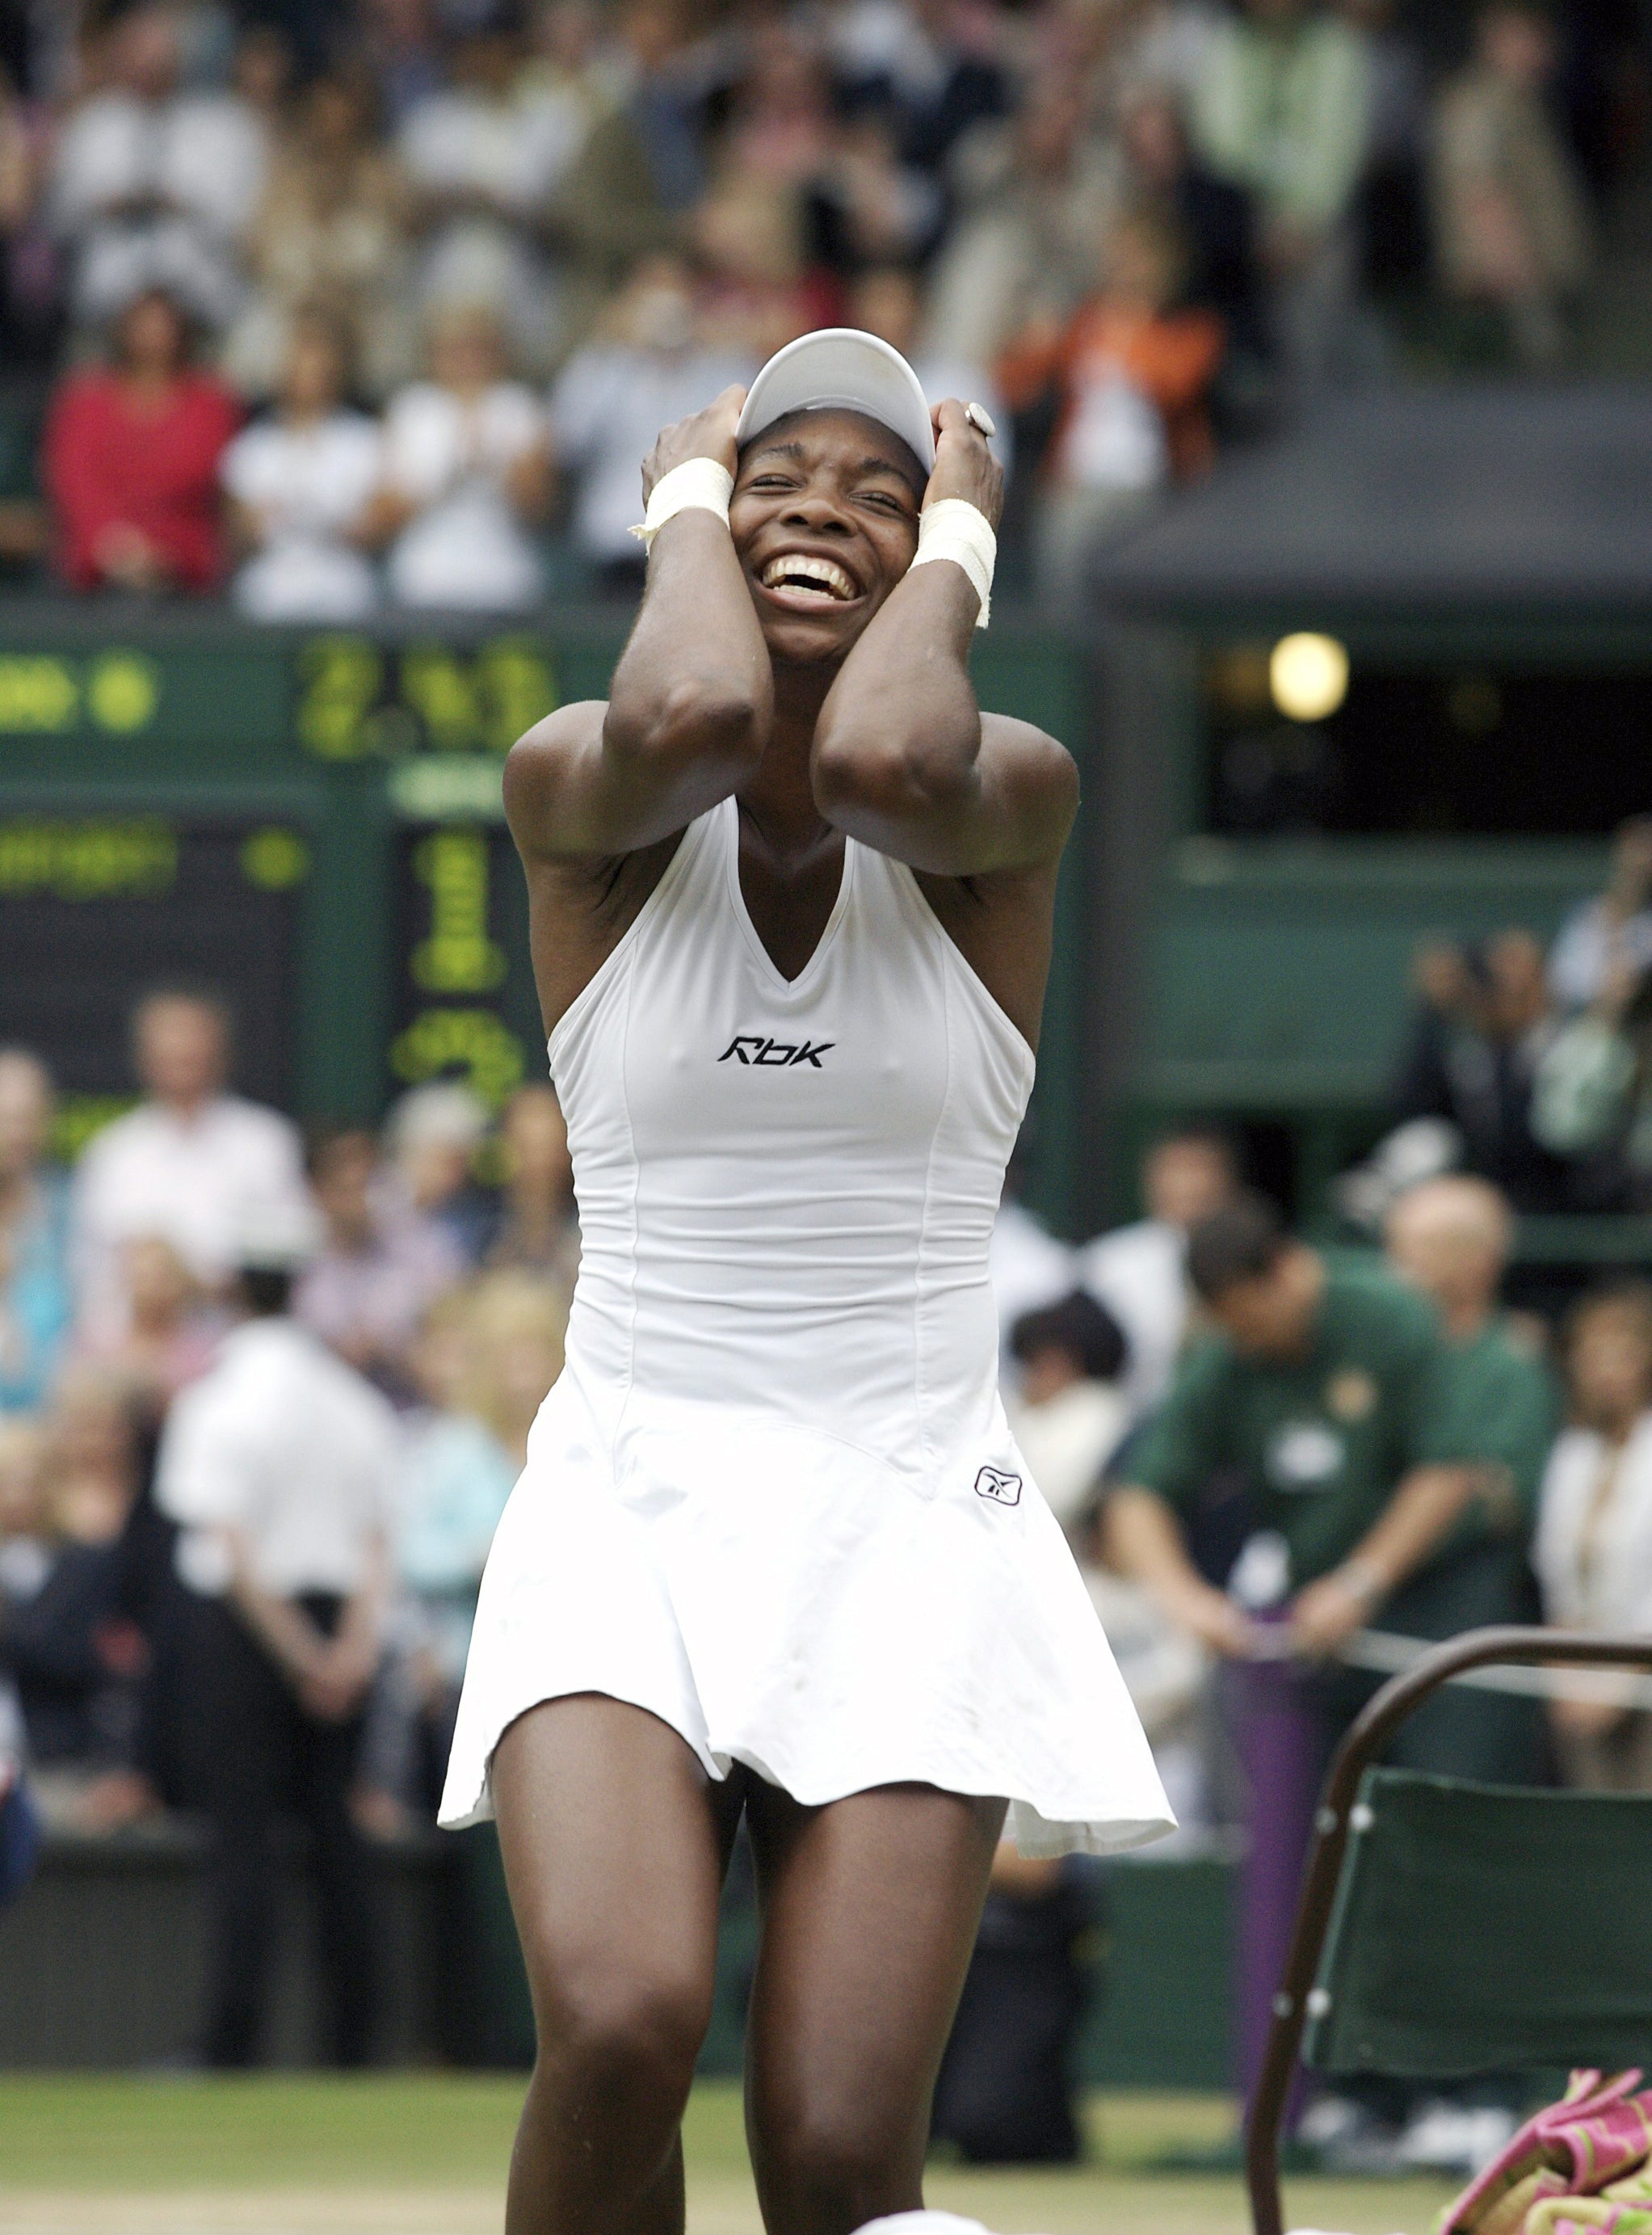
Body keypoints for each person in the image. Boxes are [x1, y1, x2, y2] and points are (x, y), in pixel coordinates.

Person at [439, 326, 1171, 2235]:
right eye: (773, 481)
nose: (817, 515)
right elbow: (691, 711)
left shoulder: (1004, 789)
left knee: (842, 2157)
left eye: (874, 494)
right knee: (621, 2024)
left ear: (945, 550)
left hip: (909, 1511)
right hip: (626, 1499)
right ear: (691, 514)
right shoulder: (578, 784)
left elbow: (878, 758)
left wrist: (961, 535)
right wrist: (691, 499)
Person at [1102, 1191, 1487, 2111]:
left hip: (1438, 1612)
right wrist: (1187, 1601)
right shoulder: (1230, 1355)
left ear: (1285, 1272)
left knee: (1439, 1840)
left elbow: (1448, 1469)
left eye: (1252, 1318)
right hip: (1315, 1634)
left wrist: (1360, 1581)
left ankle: (1462, 2098)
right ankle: (1342, 2099)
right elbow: (1138, 1494)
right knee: (1329, 1855)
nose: (1248, 1341)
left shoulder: (1387, 1316)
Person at [154, 1213, 397, 2067]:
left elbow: (230, 1549)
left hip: (248, 1639)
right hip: (334, 1629)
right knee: (337, 1839)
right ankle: (355, 2044)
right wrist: (347, 1653)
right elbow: (377, 1543)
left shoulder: (215, 1400)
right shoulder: (354, 1400)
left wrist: (301, 1657)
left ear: (231, 1289)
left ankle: (232, 2042)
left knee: (243, 1842)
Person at [998, 210, 1226, 606]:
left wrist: (1126, 330)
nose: (1123, 268)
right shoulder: (1088, 323)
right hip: (1078, 481)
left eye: (1136, 256)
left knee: (1100, 551)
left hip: (1150, 485)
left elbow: (1176, 383)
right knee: (1060, 539)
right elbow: (1024, 373)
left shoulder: (1190, 330)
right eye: (1118, 256)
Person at [71, 987, 309, 1350]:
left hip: (243, 1351)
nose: (182, 1064)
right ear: (145, 1058)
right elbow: (91, 1279)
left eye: (192, 1053)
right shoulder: (112, 1153)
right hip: (138, 1360)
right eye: (170, 1054)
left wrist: (200, 1286)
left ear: (220, 1054)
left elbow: (290, 1267)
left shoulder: (266, 1144)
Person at [45, 4, 269, 335]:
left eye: (161, 52)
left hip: (200, 308)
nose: (150, 63)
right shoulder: (93, 125)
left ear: (182, 55)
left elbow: (245, 224)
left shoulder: (226, 126)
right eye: (140, 51)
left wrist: (182, 204)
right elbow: (57, 219)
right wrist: (106, 204)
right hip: (107, 310)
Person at [549, 251, 755, 589]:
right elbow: (565, 441)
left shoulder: (723, 364)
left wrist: (721, 338)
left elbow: (749, 429)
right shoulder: (606, 364)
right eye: (652, 290)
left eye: (675, 289)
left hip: (699, 541)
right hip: (615, 547)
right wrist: (607, 344)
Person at [42, 287, 241, 595]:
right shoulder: (84, 402)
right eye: (143, 326)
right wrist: (114, 545)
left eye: (162, 326)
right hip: (92, 573)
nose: (152, 337)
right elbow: (74, 481)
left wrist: (159, 551)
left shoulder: (210, 404)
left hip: (187, 573)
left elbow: (204, 475)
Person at [1429, 0, 1592, 370]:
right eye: (1530, 38)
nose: (1543, 50)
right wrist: (1517, 275)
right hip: (1505, 292)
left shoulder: (1520, 100)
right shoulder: (1477, 104)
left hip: (1532, 283)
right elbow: (1480, 192)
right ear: (1495, 36)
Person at [1534, 1283, 1652, 1794]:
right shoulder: (1571, 1454)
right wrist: (1566, 1679)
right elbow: (1555, 1574)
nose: (1606, 1372)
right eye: (1592, 1356)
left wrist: (1620, 1688)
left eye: (1621, 1355)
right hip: (1581, 1690)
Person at [369, 301, 553, 612]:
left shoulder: (519, 406)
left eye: (478, 349)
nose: (467, 360)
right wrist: (445, 470)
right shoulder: (412, 408)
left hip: (505, 578)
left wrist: (492, 460)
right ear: (434, 353)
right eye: (455, 349)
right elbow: (383, 517)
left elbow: (539, 506)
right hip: (424, 578)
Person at [221, 310, 384, 624]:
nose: (310, 377)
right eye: (301, 364)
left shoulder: (364, 441)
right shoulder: (253, 446)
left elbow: (375, 526)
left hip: (343, 592)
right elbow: (238, 532)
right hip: (270, 595)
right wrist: (259, 522)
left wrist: (325, 518)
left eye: (320, 367)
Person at [1078, 1125, 1240, 1423]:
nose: (1187, 1186)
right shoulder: (1107, 1265)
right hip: (1130, 1424)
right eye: (1175, 1170)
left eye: (1199, 1169)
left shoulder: (1248, 1259)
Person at [295, 1126, 464, 1400]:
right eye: (344, 1187)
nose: (359, 1200)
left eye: (365, 1182)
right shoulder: (297, 1261)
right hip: (321, 1400)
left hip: (412, 1401)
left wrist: (394, 1346)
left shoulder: (421, 1245)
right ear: (318, 1191)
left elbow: (453, 1329)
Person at [0, 1050, 71, 1416]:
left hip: (55, 1419)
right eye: (8, 1119)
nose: (18, 1134)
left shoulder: (70, 1209)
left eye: (28, 1119)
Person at [1549, 819, 1652, 1014]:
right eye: (1639, 847)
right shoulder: (1585, 915)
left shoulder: (1648, 928)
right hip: (1578, 1021)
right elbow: (1562, 985)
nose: (1644, 861)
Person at [486, 1084, 581, 1285]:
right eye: (526, 1148)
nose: (539, 1164)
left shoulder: (593, 1234)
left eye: (550, 1148)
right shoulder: (479, 1232)